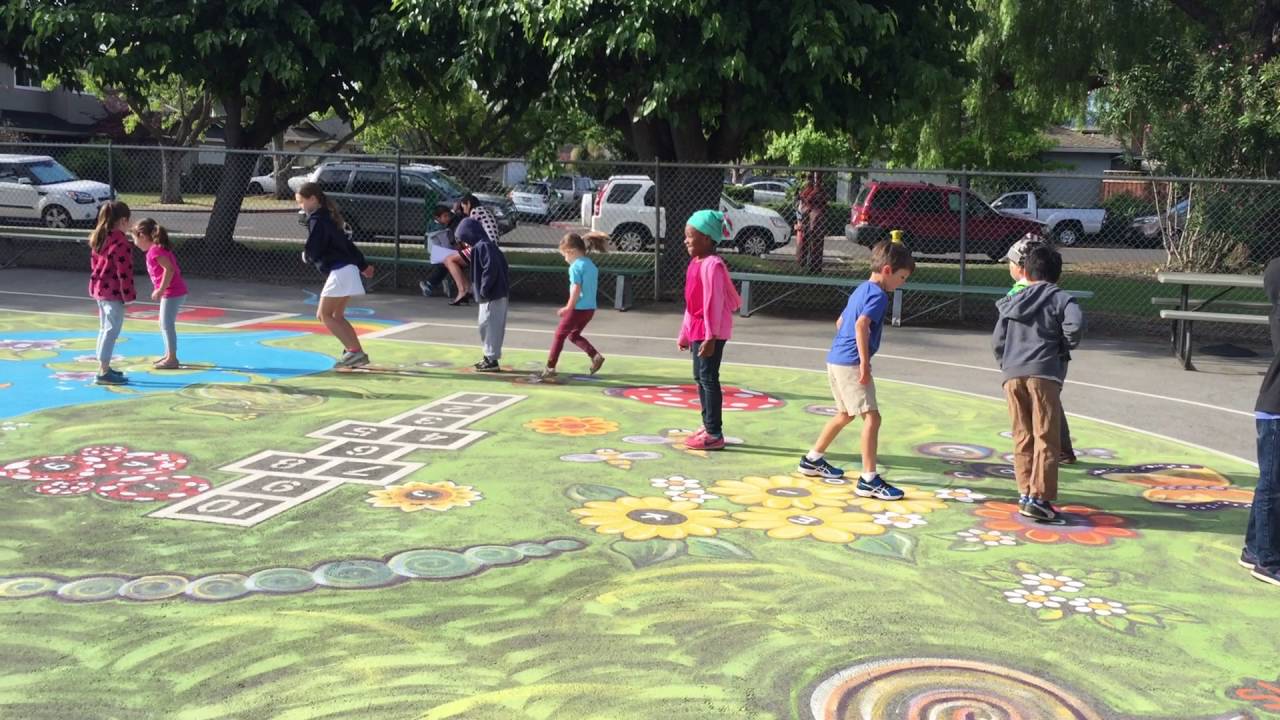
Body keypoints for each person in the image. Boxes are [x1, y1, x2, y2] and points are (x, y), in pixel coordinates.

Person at [798, 239, 915, 499]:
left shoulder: (862, 289)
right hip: (850, 362)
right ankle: (869, 479)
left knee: (845, 413)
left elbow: (841, 321)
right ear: (887, 271)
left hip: (835, 358)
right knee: (872, 418)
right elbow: (861, 325)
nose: (902, 283)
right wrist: (863, 362)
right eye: (902, 277)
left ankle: (812, 459)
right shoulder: (879, 295)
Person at [992, 244, 1084, 523]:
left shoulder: (1013, 300)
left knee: (1022, 434)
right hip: (1044, 373)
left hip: (1012, 374)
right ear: (1057, 276)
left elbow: (998, 340)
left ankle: (1024, 493)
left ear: (1026, 272)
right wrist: (1063, 347)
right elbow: (1075, 326)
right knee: (1046, 436)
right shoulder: (1061, 299)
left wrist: (1007, 363)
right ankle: (1039, 497)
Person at [1004, 235, 1077, 464]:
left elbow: (1002, 332)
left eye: (1011, 263)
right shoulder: (1051, 294)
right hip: (1049, 358)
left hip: (1030, 359)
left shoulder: (1018, 294)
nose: (1009, 267)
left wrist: (1005, 358)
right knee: (1049, 400)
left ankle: (1046, 453)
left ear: (1023, 267)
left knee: (1040, 404)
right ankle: (1061, 449)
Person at [676, 209, 742, 451]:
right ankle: (707, 424)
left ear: (706, 238)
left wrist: (711, 336)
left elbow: (713, 303)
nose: (685, 240)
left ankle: (715, 432)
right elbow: (691, 303)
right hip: (698, 328)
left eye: (690, 236)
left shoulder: (713, 265)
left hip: (711, 330)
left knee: (709, 378)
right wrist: (685, 333)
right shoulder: (696, 262)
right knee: (699, 377)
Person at [297, 182, 375, 369]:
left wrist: (307, 256)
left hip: (340, 271)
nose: (300, 206)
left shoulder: (317, 219)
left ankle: (354, 351)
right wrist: (362, 265)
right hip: (347, 270)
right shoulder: (330, 218)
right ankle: (356, 352)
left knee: (324, 314)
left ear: (313, 199)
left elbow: (315, 245)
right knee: (336, 315)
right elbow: (347, 245)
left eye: (301, 202)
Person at [1244, 257, 1280, 587]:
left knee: (1270, 482)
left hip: (1272, 407)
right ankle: (1268, 560)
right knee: (1273, 485)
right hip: (1275, 408)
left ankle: (1254, 548)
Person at [541, 232, 609, 379]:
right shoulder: (590, 265)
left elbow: (576, 289)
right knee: (573, 335)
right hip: (590, 309)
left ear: (570, 251)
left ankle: (550, 367)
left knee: (559, 335)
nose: (565, 259)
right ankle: (595, 356)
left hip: (578, 309)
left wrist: (568, 307)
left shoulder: (575, 267)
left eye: (565, 255)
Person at [87, 200, 135, 386]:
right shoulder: (120, 242)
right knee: (111, 330)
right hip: (113, 292)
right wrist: (128, 295)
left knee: (104, 328)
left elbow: (95, 266)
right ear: (123, 220)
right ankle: (104, 370)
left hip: (100, 289)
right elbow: (124, 271)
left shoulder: (100, 238)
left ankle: (103, 366)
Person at [131, 218, 188, 369]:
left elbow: (169, 269)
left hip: (173, 292)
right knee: (164, 324)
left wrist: (161, 289)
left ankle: (172, 359)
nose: (134, 243)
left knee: (167, 324)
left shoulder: (155, 250)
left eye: (134, 238)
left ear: (142, 236)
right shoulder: (156, 250)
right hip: (172, 292)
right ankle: (169, 354)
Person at [459, 216, 509, 372]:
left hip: (492, 294)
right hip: (491, 293)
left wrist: (485, 288)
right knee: (485, 325)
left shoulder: (484, 246)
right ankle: (489, 356)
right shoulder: (482, 246)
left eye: (464, 238)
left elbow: (490, 268)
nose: (464, 242)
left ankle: (491, 359)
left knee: (490, 325)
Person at [444, 195, 499, 305]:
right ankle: (467, 289)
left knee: (449, 260)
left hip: (483, 250)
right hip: (490, 248)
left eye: (464, 207)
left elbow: (464, 233)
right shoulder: (484, 211)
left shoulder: (475, 211)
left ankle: (463, 291)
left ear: (468, 204)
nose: (464, 211)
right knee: (455, 259)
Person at [419, 203, 459, 298]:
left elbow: (448, 218)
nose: (448, 218)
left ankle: (443, 282)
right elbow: (446, 245)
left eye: (448, 216)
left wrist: (453, 210)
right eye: (445, 216)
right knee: (446, 265)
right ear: (437, 218)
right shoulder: (440, 230)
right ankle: (428, 284)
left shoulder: (434, 223)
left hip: (439, 252)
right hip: (439, 253)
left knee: (446, 267)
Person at [794, 172, 828, 274]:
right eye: (811, 179)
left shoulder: (817, 191)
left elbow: (810, 201)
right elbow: (803, 204)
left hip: (816, 220)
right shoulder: (809, 191)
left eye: (813, 179)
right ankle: (805, 264)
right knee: (805, 242)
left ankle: (814, 267)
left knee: (815, 244)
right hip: (809, 219)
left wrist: (804, 199)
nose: (811, 181)